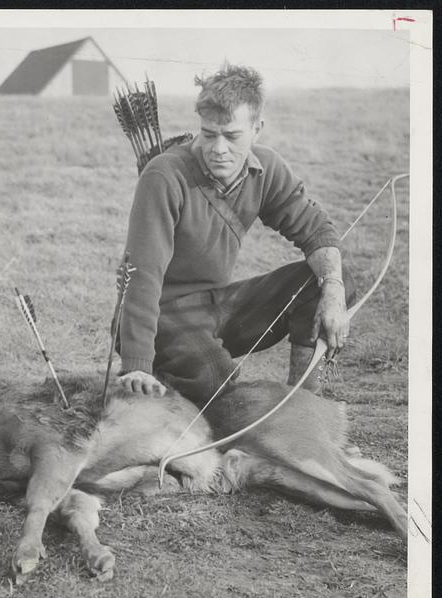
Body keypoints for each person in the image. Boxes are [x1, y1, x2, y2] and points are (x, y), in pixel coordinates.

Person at [116, 64, 356, 405]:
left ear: (257, 129)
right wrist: (136, 363)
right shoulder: (163, 175)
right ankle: (162, 376)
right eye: (208, 133)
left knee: (332, 278)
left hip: (218, 304)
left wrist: (333, 289)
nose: (218, 148)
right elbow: (143, 273)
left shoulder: (267, 168)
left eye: (231, 136)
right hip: (163, 311)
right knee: (215, 378)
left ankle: (304, 405)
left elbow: (317, 230)